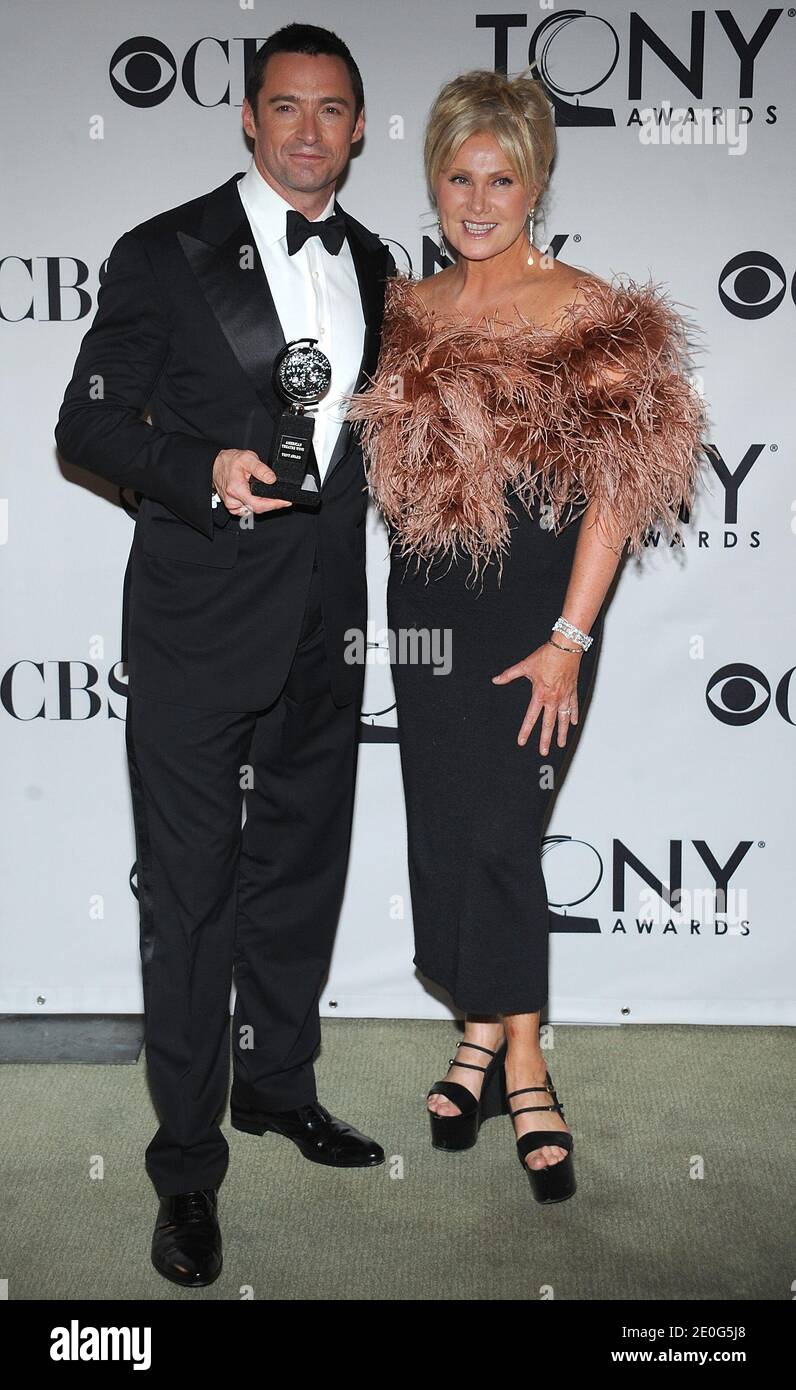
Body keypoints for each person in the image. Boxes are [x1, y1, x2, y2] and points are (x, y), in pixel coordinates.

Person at [55, 23, 396, 1286]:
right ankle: (188, 1167)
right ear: (248, 120)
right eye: (286, 107)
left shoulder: (371, 259)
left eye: (333, 110)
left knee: (300, 871)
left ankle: (279, 1088)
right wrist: (199, 469)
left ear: (360, 130)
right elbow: (84, 422)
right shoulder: (162, 250)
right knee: (191, 900)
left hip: (325, 616)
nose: (309, 130)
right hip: (200, 621)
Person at [345, 68, 706, 1204]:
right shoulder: (405, 310)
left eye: (501, 177)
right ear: (432, 180)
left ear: (537, 181)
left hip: (531, 613)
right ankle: (477, 1037)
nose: (479, 198)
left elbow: (620, 488)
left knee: (502, 832)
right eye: (459, 175)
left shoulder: (584, 309)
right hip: (425, 604)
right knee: (444, 833)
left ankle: (523, 1057)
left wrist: (568, 636)